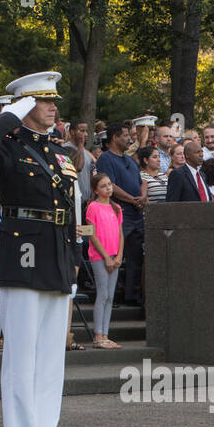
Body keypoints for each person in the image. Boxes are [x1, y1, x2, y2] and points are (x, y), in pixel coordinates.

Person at [0, 72, 81, 427]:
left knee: (51, 358)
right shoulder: (7, 147)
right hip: (24, 251)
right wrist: (8, 118)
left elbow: (69, 205)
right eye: (43, 101)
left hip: (56, 252)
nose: (53, 107)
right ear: (24, 106)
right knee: (22, 356)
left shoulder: (58, 152)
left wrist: (74, 257)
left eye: (54, 101)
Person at [96, 123, 145, 307]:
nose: (129, 139)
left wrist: (142, 196)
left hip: (136, 214)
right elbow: (110, 186)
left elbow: (142, 181)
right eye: (125, 136)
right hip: (118, 214)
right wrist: (132, 199)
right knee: (114, 255)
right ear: (114, 137)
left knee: (136, 256)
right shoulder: (106, 159)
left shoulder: (130, 160)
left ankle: (131, 295)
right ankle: (109, 295)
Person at [84, 172, 123, 350]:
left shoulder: (116, 208)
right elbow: (91, 233)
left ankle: (105, 334)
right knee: (103, 294)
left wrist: (119, 255)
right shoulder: (93, 207)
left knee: (110, 295)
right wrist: (106, 256)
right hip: (100, 256)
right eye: (103, 186)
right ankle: (98, 335)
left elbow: (120, 233)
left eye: (109, 184)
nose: (108, 188)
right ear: (96, 190)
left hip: (114, 255)